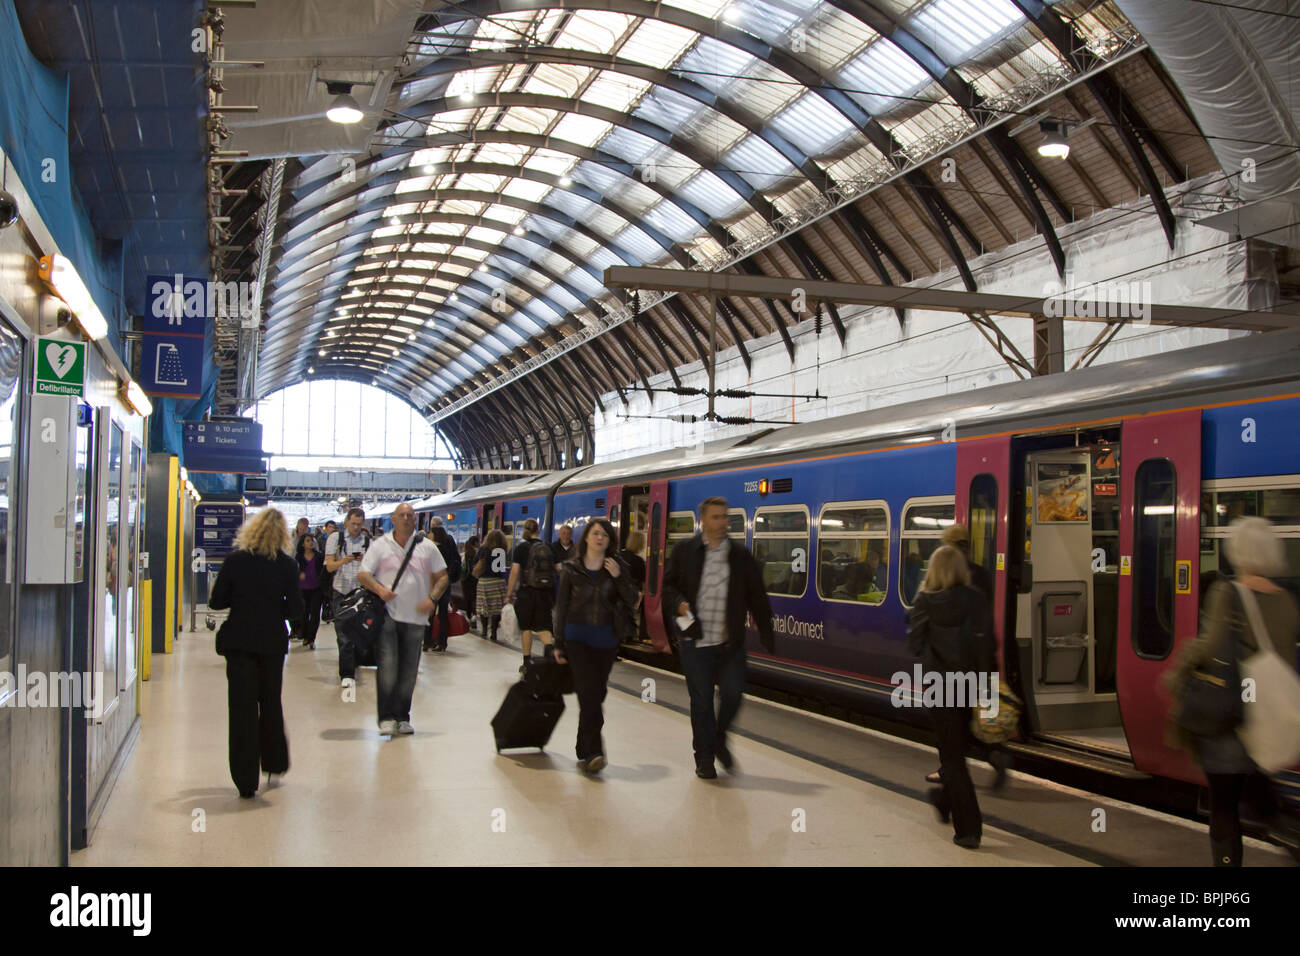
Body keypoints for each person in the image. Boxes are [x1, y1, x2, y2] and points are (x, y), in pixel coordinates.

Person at [1167, 517, 1300, 866]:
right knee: (1259, 790)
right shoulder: (1286, 599)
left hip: (1231, 711)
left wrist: (1181, 667)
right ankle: (1287, 833)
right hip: (1265, 712)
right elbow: (1282, 657)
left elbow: (1210, 647)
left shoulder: (1227, 592)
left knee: (1224, 806)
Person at [663, 496, 775, 779]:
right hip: (695, 642)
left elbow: (757, 596)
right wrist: (679, 603)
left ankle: (719, 737)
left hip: (729, 643)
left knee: (734, 694)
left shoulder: (739, 556)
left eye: (725, 517)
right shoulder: (685, 551)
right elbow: (667, 588)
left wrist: (766, 631)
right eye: (716, 517)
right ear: (703, 520)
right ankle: (704, 758)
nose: (723, 522)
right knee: (701, 703)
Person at [207, 508, 304, 799]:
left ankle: (245, 781)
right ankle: (274, 762)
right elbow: (296, 610)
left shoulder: (235, 561)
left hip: (239, 643)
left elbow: (216, 602)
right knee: (270, 703)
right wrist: (277, 608)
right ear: (283, 534)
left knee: (242, 709)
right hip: (272, 643)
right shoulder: (287, 565)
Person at [906, 544, 994, 850]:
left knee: (952, 758)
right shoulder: (977, 599)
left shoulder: (924, 600)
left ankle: (969, 829)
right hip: (972, 685)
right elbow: (987, 644)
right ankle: (943, 798)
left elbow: (914, 644)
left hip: (940, 686)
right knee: (958, 752)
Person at [924, 524, 1010, 790]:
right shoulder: (982, 575)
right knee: (978, 717)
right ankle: (994, 753)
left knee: (950, 727)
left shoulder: (943, 578)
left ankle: (949, 774)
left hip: (950, 669)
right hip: (979, 664)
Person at [554, 517, 638, 773]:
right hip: (576, 639)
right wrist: (558, 642)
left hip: (606, 640)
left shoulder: (617, 566)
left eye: (606, 535)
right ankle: (594, 751)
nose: (601, 538)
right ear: (587, 537)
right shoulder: (571, 569)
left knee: (596, 694)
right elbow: (562, 606)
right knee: (589, 694)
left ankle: (583, 744)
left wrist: (619, 577)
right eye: (596, 533)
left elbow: (633, 599)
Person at [358, 503, 448, 736]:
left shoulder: (427, 547)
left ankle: (402, 716)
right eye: (402, 515)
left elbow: (443, 576)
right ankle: (386, 717)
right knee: (388, 667)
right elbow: (363, 574)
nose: (406, 518)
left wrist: (432, 598)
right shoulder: (380, 545)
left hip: (416, 619)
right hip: (387, 614)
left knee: (409, 670)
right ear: (394, 519)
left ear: (415, 519)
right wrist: (380, 590)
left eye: (410, 515)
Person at [324, 508, 369, 689]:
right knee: (343, 634)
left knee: (357, 632)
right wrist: (345, 560)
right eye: (353, 524)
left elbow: (374, 568)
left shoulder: (367, 541)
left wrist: (364, 561)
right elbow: (329, 567)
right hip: (340, 591)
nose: (356, 528)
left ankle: (352, 661)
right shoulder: (335, 539)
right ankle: (347, 674)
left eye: (359, 524)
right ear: (346, 523)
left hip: (360, 592)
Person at [507, 518, 557, 672]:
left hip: (526, 593)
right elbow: (553, 570)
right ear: (537, 530)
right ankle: (550, 659)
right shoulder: (547, 547)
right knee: (544, 629)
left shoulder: (521, 548)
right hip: (545, 593)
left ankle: (527, 662)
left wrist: (509, 594)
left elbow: (515, 572)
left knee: (526, 628)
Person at [427, 518, 461, 652]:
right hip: (445, 581)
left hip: (431, 582)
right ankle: (442, 642)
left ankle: (427, 641)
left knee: (429, 612)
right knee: (443, 614)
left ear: (432, 527)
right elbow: (456, 559)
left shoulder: (429, 541)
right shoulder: (449, 540)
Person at [474, 530, 509, 642]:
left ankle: (484, 630)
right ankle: (494, 632)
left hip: (484, 581)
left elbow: (475, 563)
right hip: (498, 582)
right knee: (497, 608)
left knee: (484, 607)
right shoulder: (502, 550)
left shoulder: (483, 549)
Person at [295, 534, 325, 650]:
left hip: (316, 589)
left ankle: (311, 638)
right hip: (302, 589)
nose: (310, 543)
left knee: (315, 613)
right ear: (303, 544)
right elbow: (295, 571)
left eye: (311, 540)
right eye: (307, 541)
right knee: (304, 613)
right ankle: (305, 635)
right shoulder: (299, 557)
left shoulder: (319, 557)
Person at [620, 531, 648, 641]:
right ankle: (633, 635)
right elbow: (643, 580)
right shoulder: (639, 561)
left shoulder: (620, 555)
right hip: (632, 593)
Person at [319, 520, 338, 622]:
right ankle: (327, 612)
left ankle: (333, 612)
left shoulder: (338, 540)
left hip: (334, 569)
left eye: (333, 527)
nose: (332, 529)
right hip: (324, 570)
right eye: (330, 527)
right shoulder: (321, 539)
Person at [462, 535, 480, 632]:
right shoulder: (477, 553)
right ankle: (474, 617)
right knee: (474, 599)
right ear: (476, 543)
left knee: (467, 599)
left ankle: (469, 618)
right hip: (475, 579)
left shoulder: (464, 554)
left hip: (465, 580)